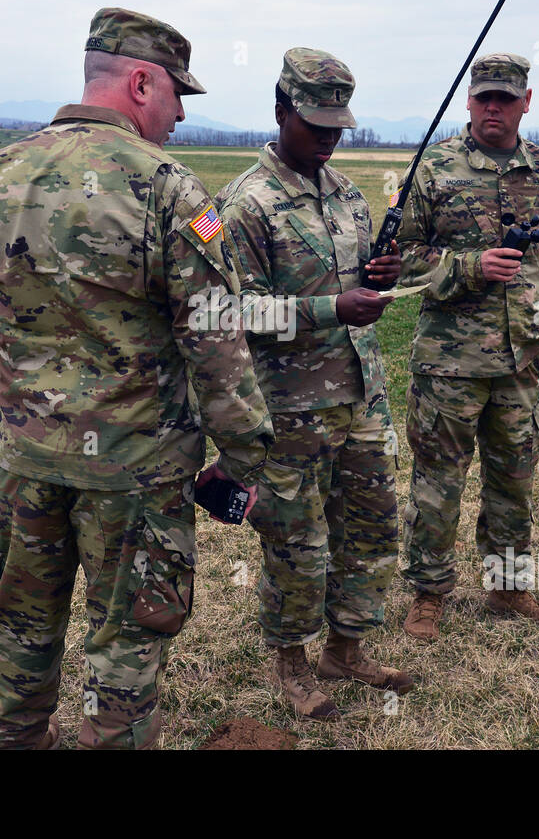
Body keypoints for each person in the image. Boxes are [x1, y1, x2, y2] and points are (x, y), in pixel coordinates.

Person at [0, 7, 295, 749]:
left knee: (20, 623)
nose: (176, 118)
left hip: (27, 462)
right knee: (129, 641)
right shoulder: (169, 189)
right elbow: (216, 342)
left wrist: (44, 367)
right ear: (140, 82)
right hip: (134, 473)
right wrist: (246, 456)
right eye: (175, 98)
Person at [216, 48, 415, 720]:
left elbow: (358, 283)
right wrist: (333, 307)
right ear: (280, 112)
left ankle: (346, 649)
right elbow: (229, 313)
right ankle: (292, 665)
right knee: (297, 546)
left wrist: (377, 278)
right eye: (316, 125)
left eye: (338, 128)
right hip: (291, 411)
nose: (329, 140)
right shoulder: (247, 205)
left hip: (360, 397)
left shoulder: (348, 195)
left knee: (371, 530)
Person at [395, 52, 539, 640]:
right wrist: (471, 266)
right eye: (484, 98)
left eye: (506, 98)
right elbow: (398, 260)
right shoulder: (434, 168)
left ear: (527, 102)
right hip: (449, 362)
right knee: (438, 482)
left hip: (520, 361)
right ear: (468, 102)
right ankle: (428, 593)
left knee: (514, 479)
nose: (493, 108)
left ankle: (507, 589)